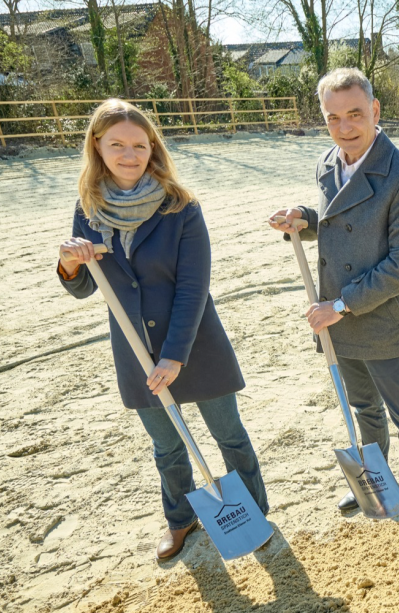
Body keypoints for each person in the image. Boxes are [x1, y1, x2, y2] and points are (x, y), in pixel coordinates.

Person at [57, 99, 268, 560]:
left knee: (228, 435)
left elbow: (194, 287)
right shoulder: (88, 208)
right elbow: (85, 289)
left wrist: (175, 355)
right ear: (98, 146)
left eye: (139, 145)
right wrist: (69, 264)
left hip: (193, 345)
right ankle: (181, 520)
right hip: (136, 352)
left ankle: (255, 513)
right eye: (117, 145)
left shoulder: (181, 207)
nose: (129, 155)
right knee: (167, 447)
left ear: (152, 147)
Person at [268, 68, 399, 544]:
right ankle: (377, 487)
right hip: (338, 321)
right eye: (333, 118)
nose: (345, 127)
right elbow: (336, 222)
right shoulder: (329, 163)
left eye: (354, 115)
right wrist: (303, 218)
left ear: (375, 111)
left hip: (380, 319)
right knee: (364, 411)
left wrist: (342, 305)